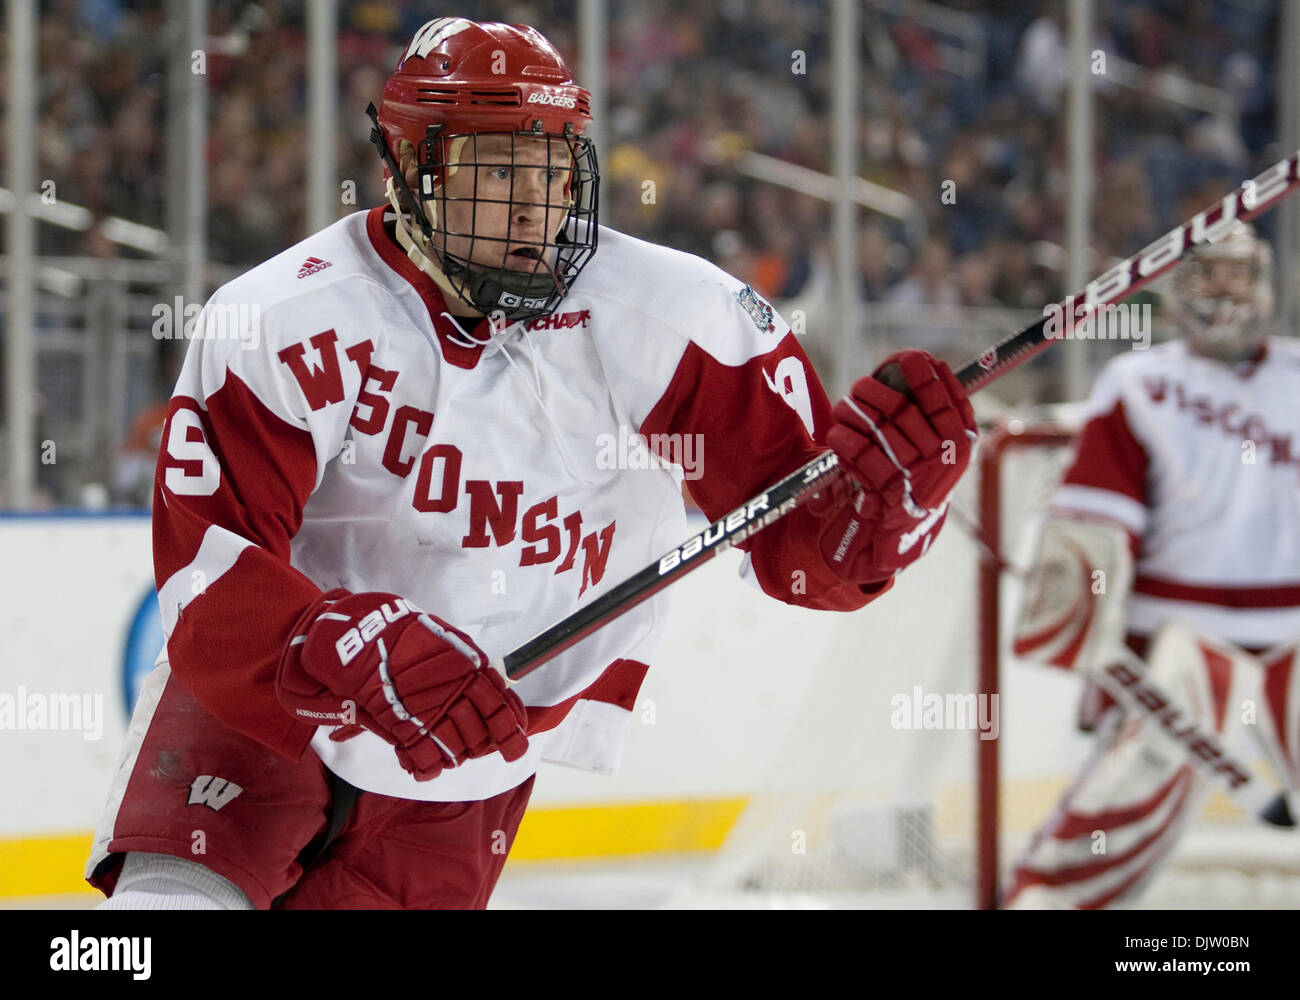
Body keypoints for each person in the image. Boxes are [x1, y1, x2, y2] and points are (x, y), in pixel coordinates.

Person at [86, 17, 976, 910]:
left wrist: (893, 505)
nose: (532, 205)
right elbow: (211, 580)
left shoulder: (674, 327)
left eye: (551, 171)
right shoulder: (282, 317)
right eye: (498, 171)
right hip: (264, 714)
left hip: (464, 765)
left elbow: (808, 553)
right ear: (409, 168)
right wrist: (343, 645)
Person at [1005, 221, 1300, 908]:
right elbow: (1100, 512)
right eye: (1211, 275)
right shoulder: (1141, 382)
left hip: (1293, 620)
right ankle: (1046, 902)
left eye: (1239, 275)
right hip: (1179, 625)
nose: (1226, 292)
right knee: (1139, 774)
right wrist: (1077, 595)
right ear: (1182, 288)